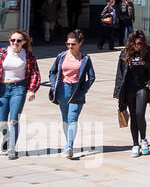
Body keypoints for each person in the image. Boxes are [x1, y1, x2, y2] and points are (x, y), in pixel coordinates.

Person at [114, 31, 150, 157]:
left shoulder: (149, 52)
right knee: (133, 118)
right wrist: (118, 93)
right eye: (135, 44)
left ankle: (144, 140)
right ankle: (135, 144)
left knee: (140, 114)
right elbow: (119, 75)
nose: (138, 46)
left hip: (143, 88)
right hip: (129, 89)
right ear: (131, 43)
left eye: (140, 43)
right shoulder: (125, 54)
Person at [48, 29, 94, 159]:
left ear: (80, 43)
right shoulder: (61, 56)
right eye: (68, 44)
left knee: (73, 117)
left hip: (76, 90)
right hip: (62, 89)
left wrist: (83, 90)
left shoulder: (85, 58)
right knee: (65, 118)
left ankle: (69, 145)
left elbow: (91, 77)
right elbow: (52, 72)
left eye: (73, 44)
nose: (70, 46)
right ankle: (67, 143)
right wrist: (54, 85)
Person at [0, 29, 41, 160]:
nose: (15, 43)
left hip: (19, 89)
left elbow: (35, 73)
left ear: (24, 42)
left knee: (14, 120)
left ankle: (12, 148)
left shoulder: (28, 55)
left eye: (18, 41)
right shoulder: (2, 53)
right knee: (2, 123)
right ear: (9, 40)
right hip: (2, 89)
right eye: (13, 40)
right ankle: (6, 137)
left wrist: (31, 90)